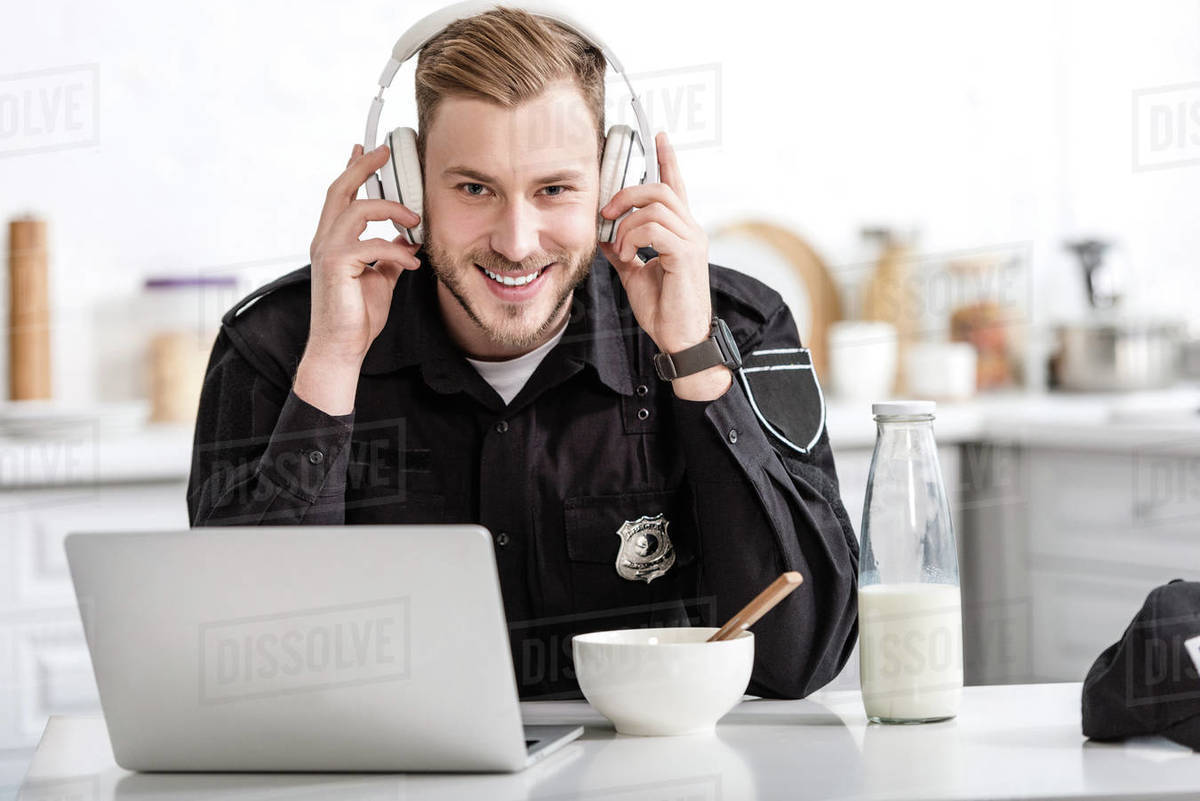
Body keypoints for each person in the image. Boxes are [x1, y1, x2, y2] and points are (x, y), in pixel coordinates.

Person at [187, 5, 858, 700]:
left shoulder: (736, 329)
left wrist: (693, 360)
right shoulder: (276, 346)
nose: (515, 240)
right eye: (474, 188)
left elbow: (800, 654)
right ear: (408, 186)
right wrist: (331, 362)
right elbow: (240, 675)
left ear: (611, 184)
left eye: (554, 189)